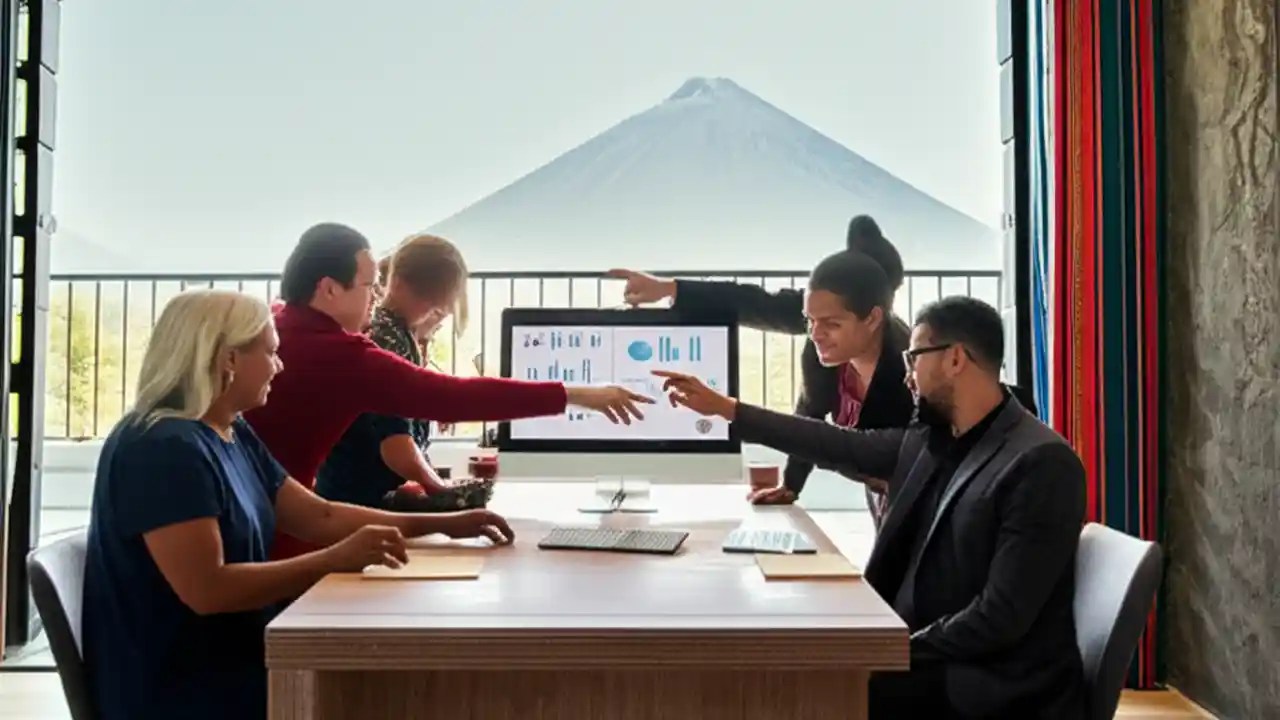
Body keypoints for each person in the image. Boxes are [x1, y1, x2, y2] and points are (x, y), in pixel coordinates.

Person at [82, 290, 517, 720]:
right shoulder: (162, 449)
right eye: (271, 353)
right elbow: (208, 591)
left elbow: (318, 515)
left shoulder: (228, 429)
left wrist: (444, 524)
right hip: (188, 691)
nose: (280, 365)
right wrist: (334, 560)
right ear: (228, 359)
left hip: (233, 661)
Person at [654, 296, 1086, 719]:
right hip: (925, 649)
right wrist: (728, 409)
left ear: (955, 359)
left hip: (989, 682)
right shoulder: (932, 437)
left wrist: (887, 650)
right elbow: (837, 444)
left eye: (913, 357)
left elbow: (999, 618)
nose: (907, 377)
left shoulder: (1040, 463)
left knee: (804, 689)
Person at [242, 222, 651, 559]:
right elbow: (454, 397)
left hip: (263, 511)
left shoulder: (276, 322)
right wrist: (577, 395)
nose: (377, 298)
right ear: (329, 289)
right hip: (274, 536)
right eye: (369, 286)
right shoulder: (341, 355)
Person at [316, 233, 487, 511]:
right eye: (432, 304)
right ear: (395, 282)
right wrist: (443, 492)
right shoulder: (386, 340)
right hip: (358, 504)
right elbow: (395, 445)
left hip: (359, 494)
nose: (434, 314)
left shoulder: (395, 333)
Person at [743, 249, 914, 513]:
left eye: (831, 323)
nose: (816, 334)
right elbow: (810, 412)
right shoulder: (823, 355)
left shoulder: (910, 374)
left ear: (872, 318)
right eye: (810, 321)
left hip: (916, 489)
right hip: (877, 485)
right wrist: (791, 484)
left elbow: (875, 453)